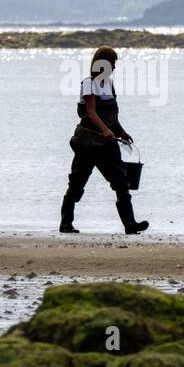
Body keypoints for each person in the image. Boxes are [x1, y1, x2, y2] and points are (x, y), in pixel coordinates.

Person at [60, 46, 149, 235]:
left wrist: (121, 132)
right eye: (113, 63)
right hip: (87, 144)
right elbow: (91, 112)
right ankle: (65, 223)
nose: (115, 67)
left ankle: (130, 225)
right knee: (77, 183)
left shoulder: (109, 84)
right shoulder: (89, 83)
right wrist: (106, 130)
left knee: (121, 181)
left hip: (107, 143)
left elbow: (112, 117)